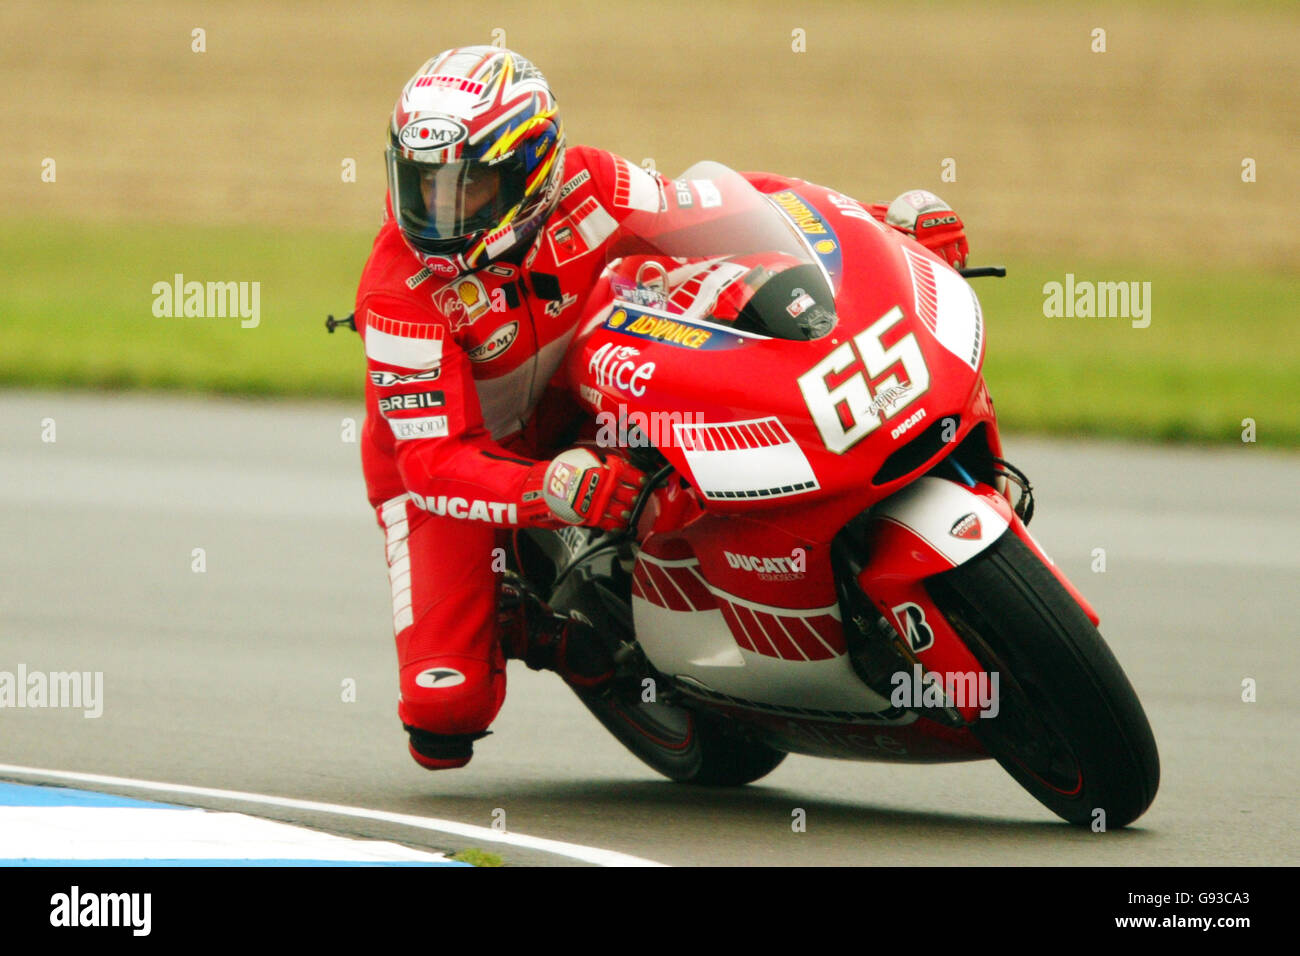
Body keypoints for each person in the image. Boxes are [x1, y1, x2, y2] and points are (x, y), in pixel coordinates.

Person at [355, 45, 970, 771]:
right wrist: (540, 488)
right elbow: (430, 464)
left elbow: (726, 206)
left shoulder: (589, 185)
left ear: (533, 170)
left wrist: (883, 228)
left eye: (469, 190)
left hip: (581, 394)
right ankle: (546, 633)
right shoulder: (398, 295)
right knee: (442, 720)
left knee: (681, 283)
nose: (441, 215)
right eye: (423, 188)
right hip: (457, 476)